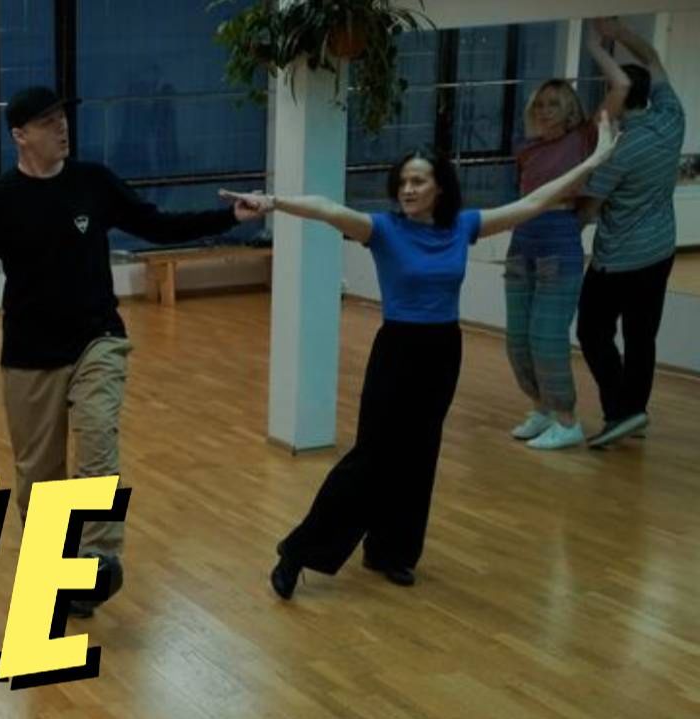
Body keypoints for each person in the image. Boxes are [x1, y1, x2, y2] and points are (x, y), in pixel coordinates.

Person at [220, 111, 618, 600]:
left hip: (443, 349)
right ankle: (298, 552)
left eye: (418, 181)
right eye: (403, 182)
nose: (407, 189)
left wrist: (596, 158)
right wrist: (273, 201)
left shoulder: (463, 227)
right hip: (397, 349)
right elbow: (326, 208)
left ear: (439, 188)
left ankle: (391, 552)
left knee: (419, 453)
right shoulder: (383, 230)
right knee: (371, 457)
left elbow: (535, 201)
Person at [0, 86, 262, 618]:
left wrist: (229, 218)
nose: (62, 127)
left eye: (63, 118)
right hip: (30, 353)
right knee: (39, 477)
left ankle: (99, 557)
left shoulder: (93, 182)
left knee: (99, 437)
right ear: (20, 135)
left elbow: (156, 224)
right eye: (48, 121)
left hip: (97, 338)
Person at [504, 21, 629, 450]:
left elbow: (621, 86)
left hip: (559, 242)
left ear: (570, 109)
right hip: (522, 240)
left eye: (553, 104)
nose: (544, 111)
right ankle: (541, 408)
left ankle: (567, 419)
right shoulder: (526, 147)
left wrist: (598, 44)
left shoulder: (585, 137)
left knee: (546, 338)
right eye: (540, 104)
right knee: (517, 340)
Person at [575, 17, 686, 449]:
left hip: (618, 260)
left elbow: (588, 212)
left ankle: (620, 410)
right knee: (641, 337)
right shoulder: (671, 119)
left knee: (592, 332)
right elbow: (653, 57)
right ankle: (633, 409)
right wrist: (618, 35)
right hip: (660, 251)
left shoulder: (618, 152)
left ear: (620, 99)